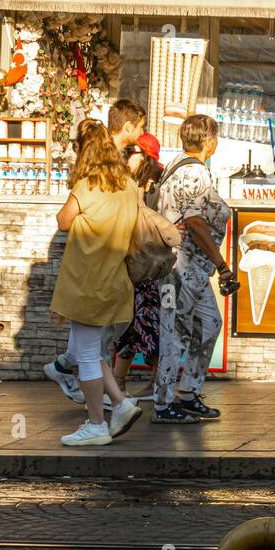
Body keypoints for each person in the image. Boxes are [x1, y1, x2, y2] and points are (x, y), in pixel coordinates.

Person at [44, 124, 145, 446]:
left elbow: (63, 220)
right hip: (116, 282)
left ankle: (97, 424)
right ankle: (121, 403)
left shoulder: (87, 186)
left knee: (87, 356)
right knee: (89, 349)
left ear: (83, 151)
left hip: (87, 283)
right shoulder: (129, 186)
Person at [152, 114, 234, 424]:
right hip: (180, 268)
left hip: (191, 271)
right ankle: (162, 404)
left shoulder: (175, 165)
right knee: (173, 333)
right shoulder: (196, 172)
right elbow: (195, 222)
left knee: (210, 323)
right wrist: (222, 264)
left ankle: (187, 392)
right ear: (210, 142)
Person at [110, 134, 166, 399]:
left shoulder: (154, 186)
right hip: (134, 266)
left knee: (146, 324)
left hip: (147, 268)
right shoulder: (133, 183)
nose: (126, 157)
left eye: (130, 152)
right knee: (130, 324)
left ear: (143, 155)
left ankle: (155, 384)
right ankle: (119, 382)